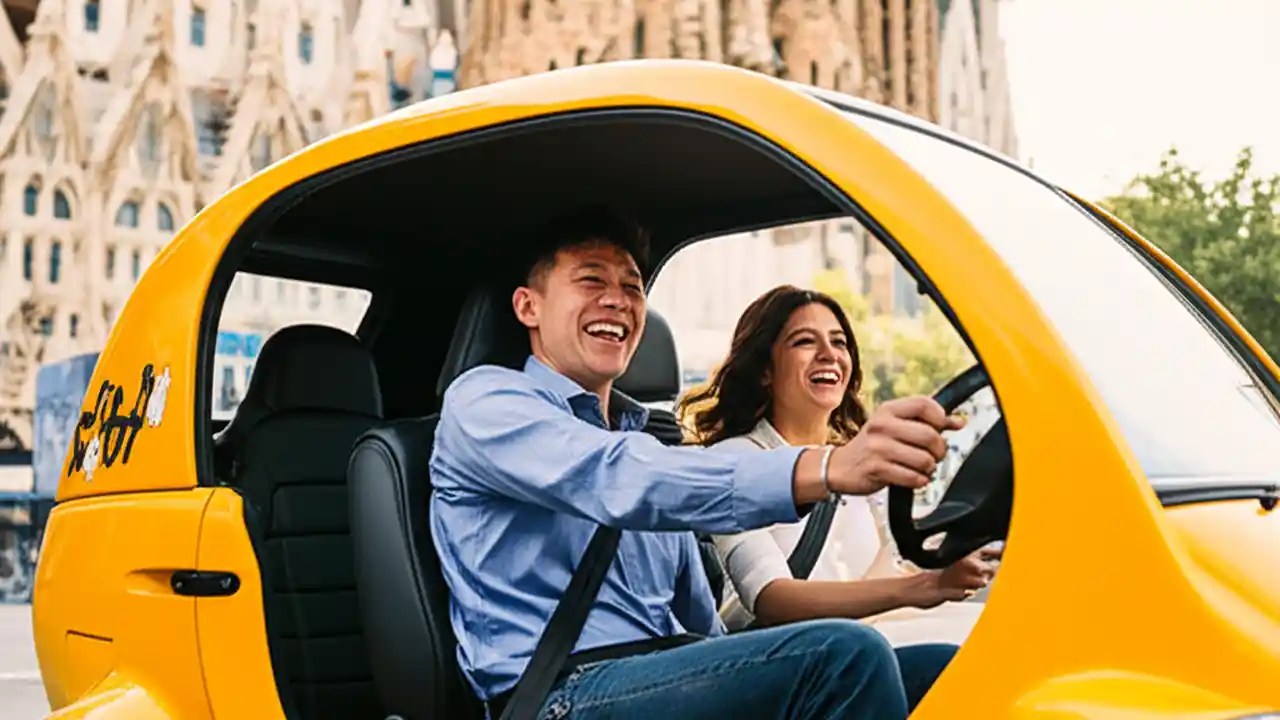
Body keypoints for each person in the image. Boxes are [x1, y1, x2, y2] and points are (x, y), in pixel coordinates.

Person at [429, 206, 970, 720]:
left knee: (944, 668)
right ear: (529, 307)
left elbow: (699, 622)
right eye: (592, 281)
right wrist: (827, 467)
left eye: (632, 287)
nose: (618, 300)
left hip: (663, 671)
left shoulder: (648, 441)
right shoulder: (486, 404)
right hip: (559, 695)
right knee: (847, 655)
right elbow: (615, 476)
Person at [677, 285, 1001, 638]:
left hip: (869, 635)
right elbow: (772, 601)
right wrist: (925, 588)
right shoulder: (733, 463)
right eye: (804, 342)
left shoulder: (859, 462)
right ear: (763, 370)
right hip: (795, 658)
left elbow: (896, 558)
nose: (829, 354)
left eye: (839, 342)